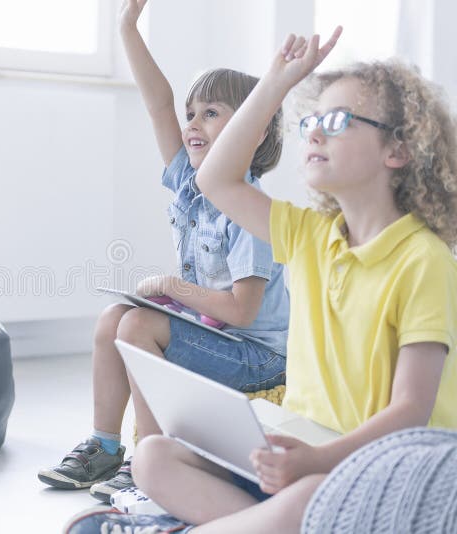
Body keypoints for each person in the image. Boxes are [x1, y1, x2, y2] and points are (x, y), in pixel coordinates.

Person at [129, 27, 457, 532]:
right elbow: (213, 179)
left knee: (303, 497)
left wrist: (316, 462)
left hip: (381, 461)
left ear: (398, 150)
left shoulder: (424, 261)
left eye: (337, 120)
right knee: (154, 457)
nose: (315, 132)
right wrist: (278, 83)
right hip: (301, 442)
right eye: (312, 120)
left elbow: (411, 411)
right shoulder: (310, 235)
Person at [38, 0, 289, 503]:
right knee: (114, 317)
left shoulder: (251, 211)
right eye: (191, 114)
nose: (192, 123)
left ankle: (147, 458)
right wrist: (127, 27)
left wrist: (174, 290)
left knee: (136, 324)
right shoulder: (189, 184)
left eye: (212, 114)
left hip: (257, 357)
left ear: (252, 130)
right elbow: (157, 103)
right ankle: (105, 446)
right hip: (214, 335)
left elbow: (243, 311)